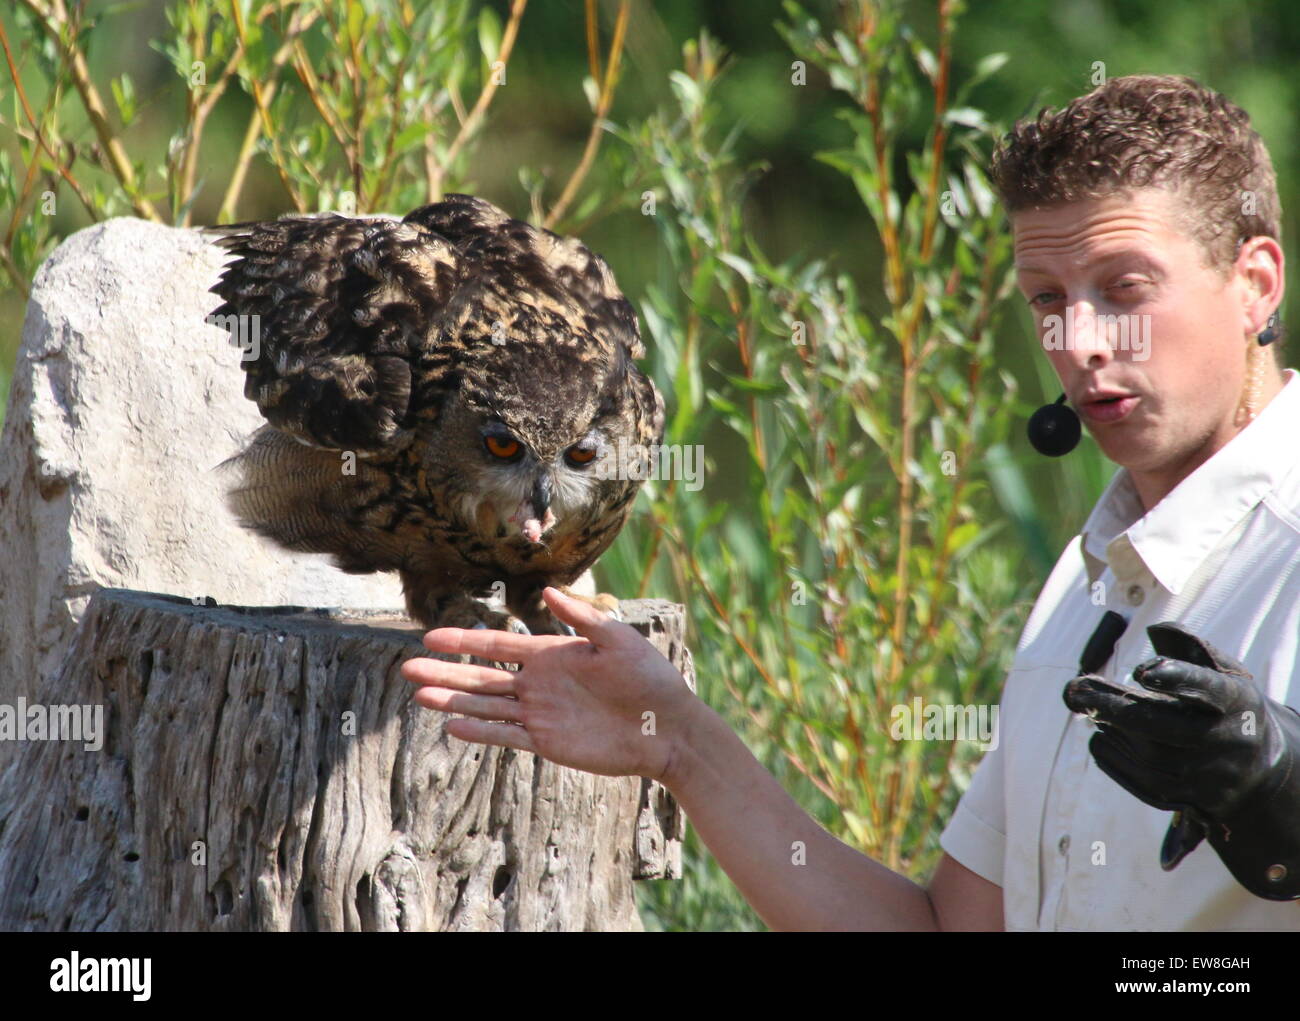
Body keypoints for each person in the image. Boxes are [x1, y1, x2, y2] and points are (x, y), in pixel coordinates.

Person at [400, 74, 1300, 931]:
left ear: (1256, 283)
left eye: (1127, 288)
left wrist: (1282, 797)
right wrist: (676, 740)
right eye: (1048, 299)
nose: (1082, 343)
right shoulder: (1091, 579)